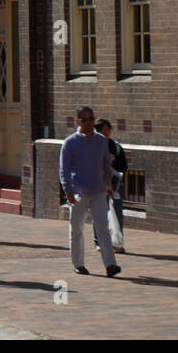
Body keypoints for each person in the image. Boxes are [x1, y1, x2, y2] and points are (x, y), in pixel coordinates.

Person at [60, 106, 120, 277]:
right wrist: (68, 190)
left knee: (103, 227)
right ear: (77, 121)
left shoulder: (101, 141)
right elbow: (63, 169)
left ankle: (110, 264)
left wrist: (109, 185)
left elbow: (106, 165)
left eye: (91, 119)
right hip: (78, 193)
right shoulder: (70, 143)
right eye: (84, 119)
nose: (88, 122)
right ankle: (78, 263)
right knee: (77, 229)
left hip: (99, 191)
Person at [95, 119, 128, 254]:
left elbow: (123, 165)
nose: (107, 132)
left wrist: (115, 174)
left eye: (109, 129)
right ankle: (99, 241)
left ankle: (117, 241)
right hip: (98, 185)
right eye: (104, 129)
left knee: (117, 212)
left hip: (115, 185)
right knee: (99, 213)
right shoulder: (93, 146)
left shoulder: (115, 146)